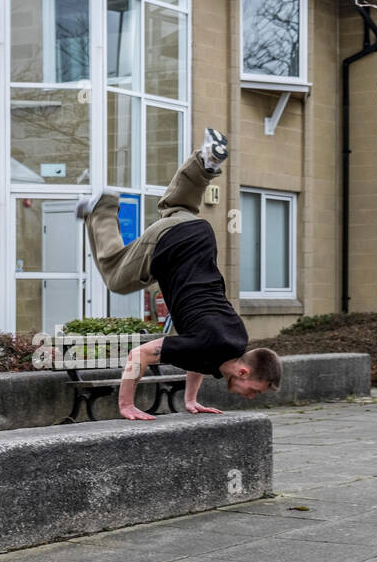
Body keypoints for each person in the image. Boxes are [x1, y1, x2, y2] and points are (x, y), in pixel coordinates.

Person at [76, 127, 283, 421]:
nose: (252, 396)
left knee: (175, 206)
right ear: (244, 371)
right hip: (170, 247)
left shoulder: (235, 341)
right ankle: (102, 209)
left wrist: (190, 400)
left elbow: (200, 360)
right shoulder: (210, 344)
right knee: (115, 277)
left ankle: (206, 162)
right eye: (255, 390)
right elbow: (140, 355)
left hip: (199, 234)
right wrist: (126, 404)